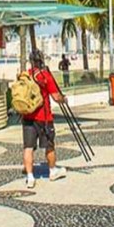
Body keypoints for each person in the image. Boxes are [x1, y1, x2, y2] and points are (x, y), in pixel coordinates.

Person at [22, 51, 66, 189]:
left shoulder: (26, 75)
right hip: (44, 117)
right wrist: (64, 99)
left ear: (30, 61)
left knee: (28, 148)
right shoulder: (45, 75)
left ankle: (30, 177)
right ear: (41, 60)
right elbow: (55, 97)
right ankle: (52, 170)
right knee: (49, 145)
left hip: (27, 117)